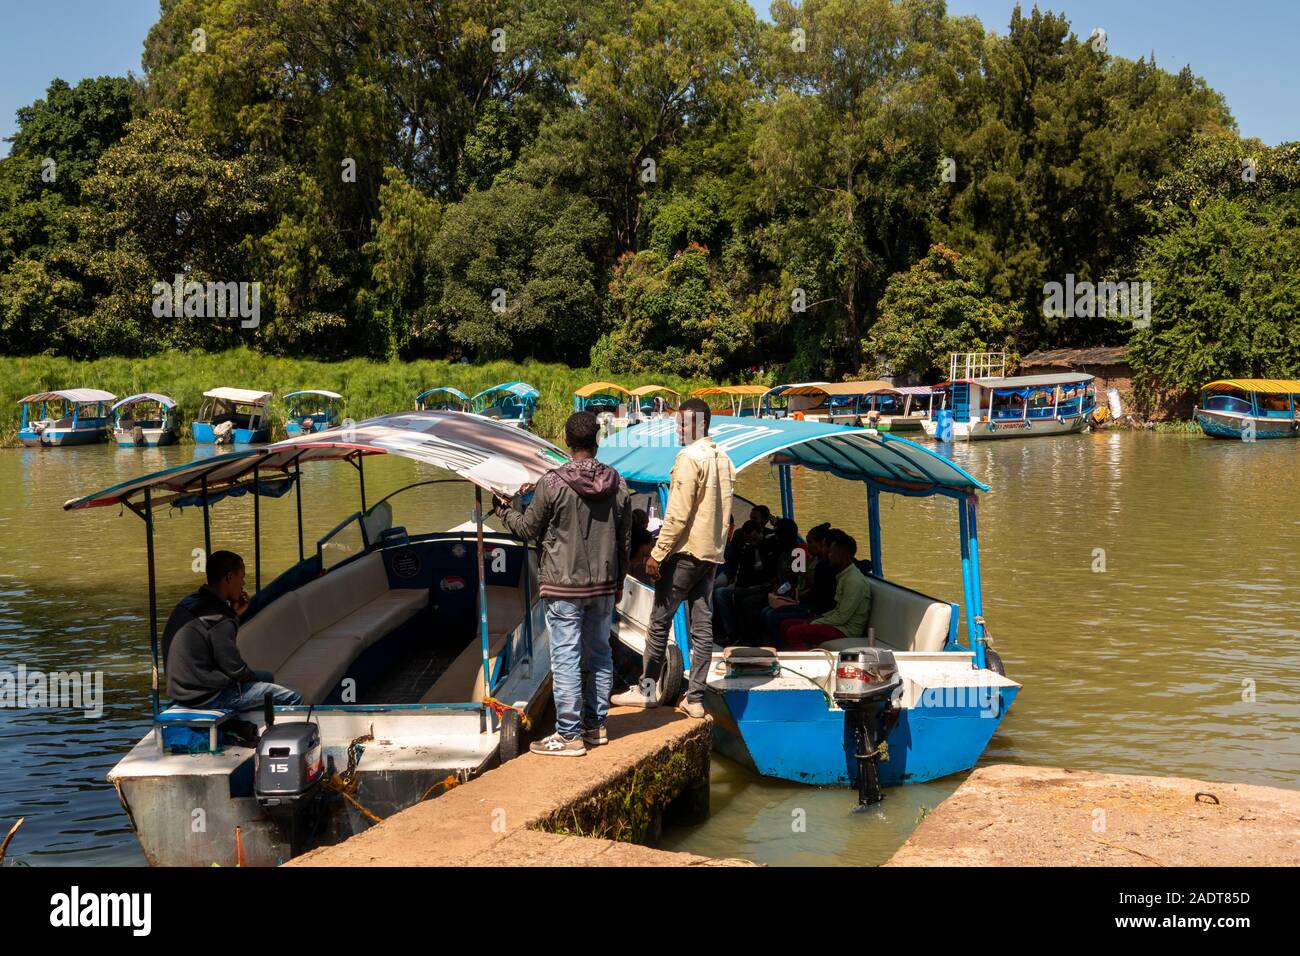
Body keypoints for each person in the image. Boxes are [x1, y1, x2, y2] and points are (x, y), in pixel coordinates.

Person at [496, 411, 631, 755]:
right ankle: (596, 726)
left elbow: (527, 529)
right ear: (597, 440)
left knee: (566, 657)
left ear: (568, 442)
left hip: (563, 586)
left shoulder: (552, 483)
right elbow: (625, 540)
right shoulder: (618, 482)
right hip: (603, 584)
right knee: (600, 655)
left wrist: (503, 512)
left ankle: (569, 735)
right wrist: (619, 582)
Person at [611, 398, 735, 718]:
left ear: (698, 425)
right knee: (702, 627)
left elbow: (677, 516)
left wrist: (657, 553)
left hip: (684, 554)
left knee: (658, 622)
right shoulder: (723, 458)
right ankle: (694, 699)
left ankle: (647, 691)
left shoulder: (689, 457)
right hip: (710, 554)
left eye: (681, 423)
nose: (677, 428)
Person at [164, 550, 303, 710]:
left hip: (183, 691)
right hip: (208, 696)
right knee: (294, 697)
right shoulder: (220, 618)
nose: (243, 583)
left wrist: (234, 614)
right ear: (229, 577)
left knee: (266, 677)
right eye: (242, 577)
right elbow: (235, 668)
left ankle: (251, 725)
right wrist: (253, 681)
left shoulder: (189, 602)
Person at [780, 532, 873, 650]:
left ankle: (804, 665)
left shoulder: (853, 581)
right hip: (838, 624)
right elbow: (837, 611)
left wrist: (815, 622)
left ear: (846, 557)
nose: (829, 555)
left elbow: (842, 617)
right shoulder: (843, 576)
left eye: (833, 553)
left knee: (794, 632)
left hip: (846, 630)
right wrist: (818, 619)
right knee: (786, 624)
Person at [761, 522, 836, 643]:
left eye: (811, 543)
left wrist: (800, 575)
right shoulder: (811, 558)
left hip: (807, 604)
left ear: (822, 543)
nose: (808, 545)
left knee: (771, 615)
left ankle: (778, 649)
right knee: (766, 611)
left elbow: (812, 585)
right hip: (799, 597)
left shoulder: (806, 556)